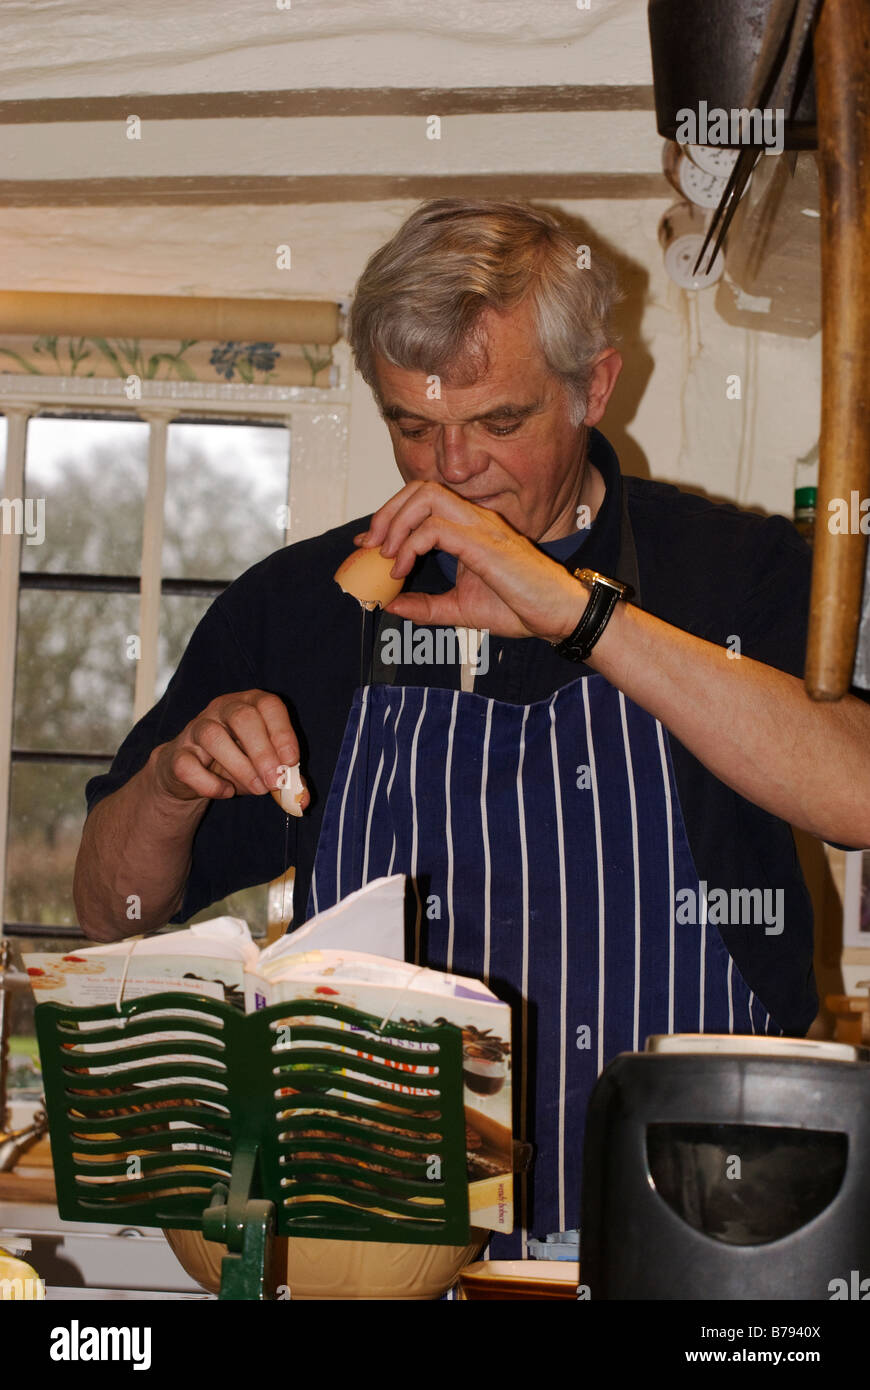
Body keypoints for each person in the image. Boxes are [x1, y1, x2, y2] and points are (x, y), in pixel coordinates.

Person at [73, 199, 870, 1258]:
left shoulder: (734, 568)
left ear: (595, 386)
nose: (451, 472)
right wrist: (174, 782)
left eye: (498, 423)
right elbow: (111, 910)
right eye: (413, 424)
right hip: (389, 1234)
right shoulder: (305, 606)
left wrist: (585, 616)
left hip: (708, 1219)